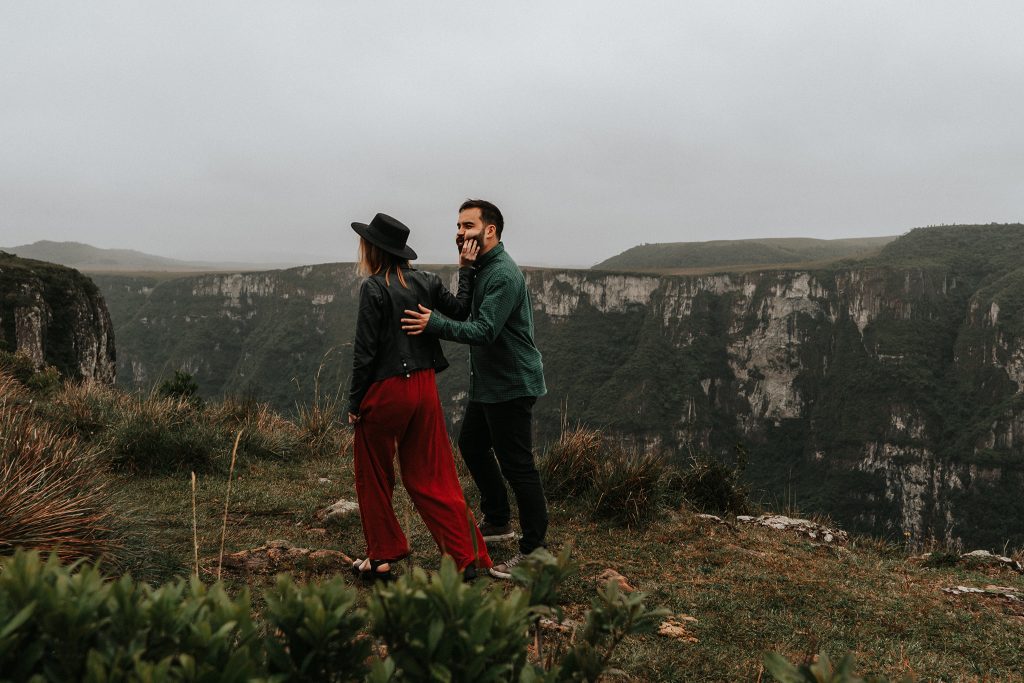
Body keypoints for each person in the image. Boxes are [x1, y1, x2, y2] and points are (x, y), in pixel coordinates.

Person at [401, 199, 547, 580]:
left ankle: (534, 552)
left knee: (519, 467)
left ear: (491, 231)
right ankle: (498, 519)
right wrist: (464, 270)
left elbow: (483, 331)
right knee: (472, 444)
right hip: (489, 384)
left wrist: (433, 323)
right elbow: (466, 313)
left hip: (512, 384)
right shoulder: (482, 269)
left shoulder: (502, 275)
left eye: (468, 226)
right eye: (459, 225)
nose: (460, 232)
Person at [347, 212, 490, 582]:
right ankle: (465, 556)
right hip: (424, 387)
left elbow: (365, 352)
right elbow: (460, 311)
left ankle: (380, 557)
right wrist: (467, 269)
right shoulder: (426, 280)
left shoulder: (374, 288)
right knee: (434, 474)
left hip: (386, 388)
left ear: (373, 249)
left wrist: (354, 403)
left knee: (374, 474)